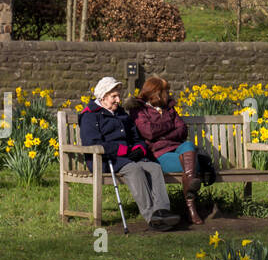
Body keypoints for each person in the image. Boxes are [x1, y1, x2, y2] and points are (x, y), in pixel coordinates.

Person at [79, 77, 180, 231]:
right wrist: (124, 150)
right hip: (106, 160)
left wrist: (139, 148)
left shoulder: (120, 113)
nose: (118, 100)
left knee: (153, 167)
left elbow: (136, 137)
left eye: (118, 95)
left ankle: (163, 212)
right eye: (114, 96)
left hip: (128, 157)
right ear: (102, 96)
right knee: (135, 170)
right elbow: (93, 144)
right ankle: (151, 216)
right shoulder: (90, 115)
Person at [127, 76, 204, 225]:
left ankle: (189, 200)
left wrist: (161, 134)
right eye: (166, 91)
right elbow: (148, 132)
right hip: (159, 153)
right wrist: (169, 128)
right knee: (194, 164)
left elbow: (182, 129)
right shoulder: (139, 110)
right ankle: (191, 207)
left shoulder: (169, 107)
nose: (168, 94)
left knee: (188, 145)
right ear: (156, 93)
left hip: (179, 148)